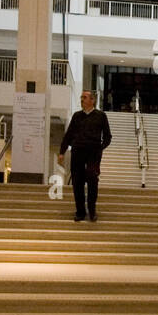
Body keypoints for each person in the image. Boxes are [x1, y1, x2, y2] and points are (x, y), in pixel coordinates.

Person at [58, 90, 111, 222]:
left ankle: (92, 211)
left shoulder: (101, 116)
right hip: (77, 152)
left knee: (92, 180)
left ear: (92, 100)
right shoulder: (77, 116)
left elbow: (108, 136)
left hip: (93, 153)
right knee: (77, 182)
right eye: (81, 97)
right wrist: (62, 152)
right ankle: (80, 211)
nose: (82, 100)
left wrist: (100, 147)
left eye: (84, 97)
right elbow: (69, 135)